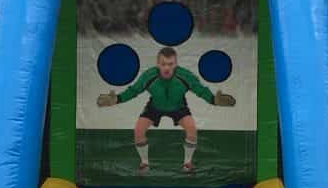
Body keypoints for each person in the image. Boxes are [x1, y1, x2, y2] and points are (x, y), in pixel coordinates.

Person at [97, 46, 235, 174]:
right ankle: (144, 163)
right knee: (139, 130)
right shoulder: (149, 76)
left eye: (170, 64)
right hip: (155, 106)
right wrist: (117, 99)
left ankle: (188, 163)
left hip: (178, 107)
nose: (167, 68)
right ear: (158, 64)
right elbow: (133, 91)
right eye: (163, 64)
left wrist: (214, 100)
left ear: (176, 64)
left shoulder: (185, 76)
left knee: (192, 129)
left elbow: (200, 90)